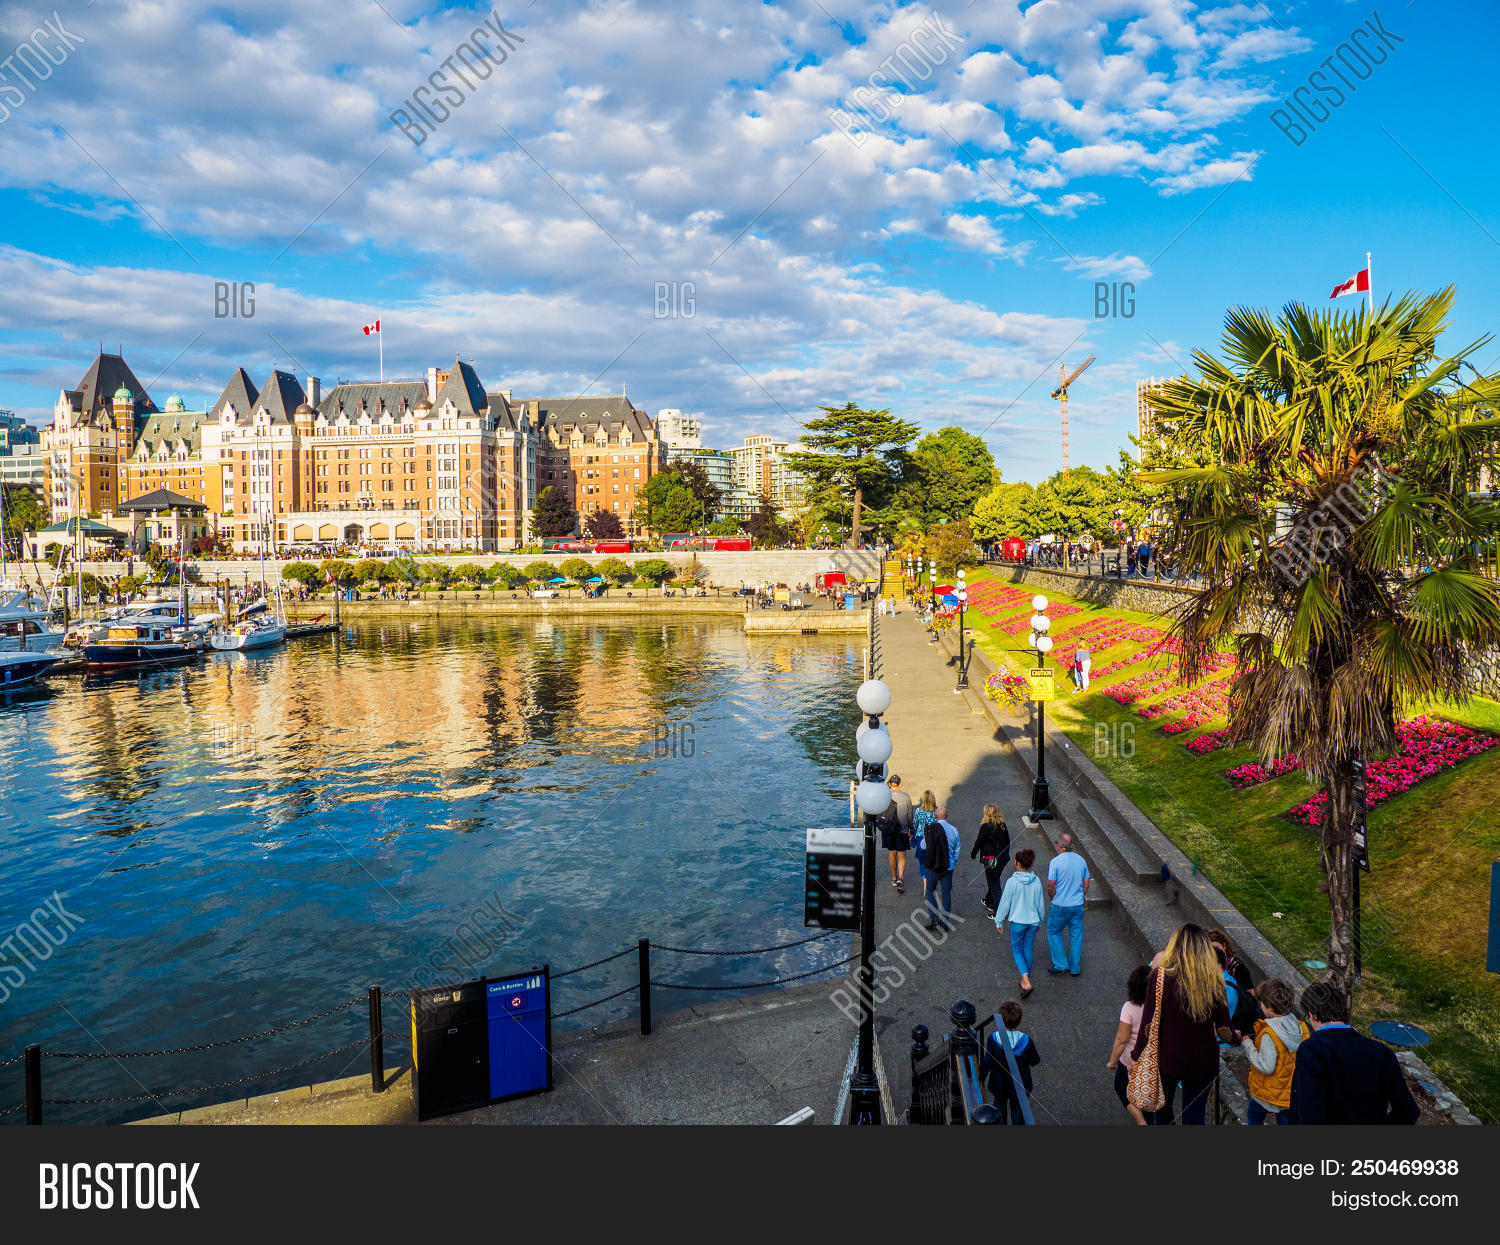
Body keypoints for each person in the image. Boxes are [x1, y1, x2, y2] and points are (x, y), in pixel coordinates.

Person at [1131, 924, 1233, 1125]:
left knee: (1162, 1110)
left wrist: (1136, 1055)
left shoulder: (1160, 978)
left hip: (1169, 1059)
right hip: (1203, 1061)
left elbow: (1148, 1024)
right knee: (1195, 1115)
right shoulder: (1215, 980)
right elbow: (1225, 1029)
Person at [1289, 980, 1418, 1124]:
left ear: (1312, 1015)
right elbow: (1409, 1111)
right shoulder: (1383, 1053)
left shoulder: (1311, 1051)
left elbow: (1309, 1115)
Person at [1239, 977, 1307, 1126]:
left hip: (1266, 1094)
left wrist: (1247, 1044)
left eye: (1262, 1003)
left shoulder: (1270, 1034)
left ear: (1269, 1008)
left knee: (1254, 1117)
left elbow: (1266, 1066)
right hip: (1289, 1095)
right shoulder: (1301, 1028)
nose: (1260, 1005)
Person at [993, 848, 1045, 996]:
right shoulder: (1037, 882)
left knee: (1017, 950)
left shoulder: (1012, 882)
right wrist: (1040, 921)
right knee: (1028, 948)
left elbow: (1005, 904)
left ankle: (1026, 981)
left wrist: (999, 921)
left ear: (1017, 863)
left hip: (1017, 921)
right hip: (1033, 921)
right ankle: (1025, 978)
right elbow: (1040, 904)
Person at [980, 1000, 1041, 1124]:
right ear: (1019, 1021)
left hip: (999, 1082)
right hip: (1020, 1083)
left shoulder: (993, 1038)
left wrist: (981, 1076)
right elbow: (1034, 1061)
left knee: (999, 1105)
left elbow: (988, 1061)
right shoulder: (1026, 1041)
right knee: (1017, 1110)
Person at [1106, 965, 1152, 1124]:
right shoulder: (1158, 1008)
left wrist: (1113, 1061)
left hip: (1129, 1060)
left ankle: (1140, 1120)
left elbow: (1121, 1039)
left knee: (1121, 1086)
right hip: (1152, 1060)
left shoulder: (1129, 1008)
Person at [1045, 834, 1090, 976]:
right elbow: (1087, 882)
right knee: (1076, 935)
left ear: (1059, 845)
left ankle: (1061, 964)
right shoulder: (1081, 861)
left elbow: (1051, 886)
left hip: (1060, 905)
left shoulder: (1055, 862)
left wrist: (1053, 898)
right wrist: (1080, 895)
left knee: (1053, 932)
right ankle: (1075, 967)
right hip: (1077, 905)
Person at [922, 805, 960, 932]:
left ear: (935, 816)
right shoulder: (954, 830)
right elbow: (957, 848)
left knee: (930, 890)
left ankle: (933, 918)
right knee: (946, 894)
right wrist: (953, 861)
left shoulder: (931, 829)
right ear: (947, 816)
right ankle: (944, 924)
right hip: (948, 867)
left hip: (933, 867)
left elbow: (923, 845)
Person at [970, 803, 1011, 918]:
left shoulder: (986, 826)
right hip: (1002, 858)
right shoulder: (1002, 825)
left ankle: (999, 912)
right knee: (993, 879)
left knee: (994, 883)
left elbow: (979, 841)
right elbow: (1007, 842)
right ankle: (988, 900)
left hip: (990, 860)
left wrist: (973, 854)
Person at [883, 774, 913, 895]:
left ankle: (894, 878)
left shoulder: (884, 796)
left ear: (890, 784)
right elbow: (910, 815)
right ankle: (901, 877)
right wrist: (912, 829)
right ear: (900, 784)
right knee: (902, 855)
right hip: (902, 830)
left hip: (889, 829)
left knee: (892, 853)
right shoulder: (906, 797)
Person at [911, 790, 937, 899]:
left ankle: (925, 880)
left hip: (921, 838)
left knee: (922, 861)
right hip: (933, 840)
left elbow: (914, 824)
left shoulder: (918, 811)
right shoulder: (937, 812)